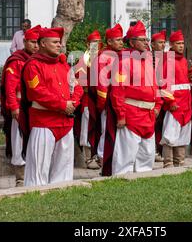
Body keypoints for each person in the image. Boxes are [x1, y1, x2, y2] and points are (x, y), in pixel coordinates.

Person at [22, 27, 84, 186]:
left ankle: (61, 196)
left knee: (63, 169)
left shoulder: (64, 65)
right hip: (44, 122)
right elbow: (37, 92)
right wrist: (63, 104)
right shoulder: (33, 65)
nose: (60, 45)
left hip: (65, 123)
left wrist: (73, 103)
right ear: (43, 43)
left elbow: (77, 87)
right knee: (38, 169)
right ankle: (35, 197)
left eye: (60, 42)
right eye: (55, 42)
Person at [107, 21, 162, 175]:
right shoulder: (123, 61)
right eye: (142, 40)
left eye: (147, 40)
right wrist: (121, 115)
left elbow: (155, 86)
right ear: (131, 42)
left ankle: (143, 182)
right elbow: (118, 91)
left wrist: (157, 105)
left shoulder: (149, 60)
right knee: (126, 155)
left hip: (149, 115)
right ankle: (121, 181)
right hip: (132, 114)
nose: (146, 43)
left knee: (147, 154)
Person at [0, 26, 39, 187]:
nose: (36, 46)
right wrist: (14, 107)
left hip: (36, 109)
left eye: (38, 42)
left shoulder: (39, 59)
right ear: (24, 42)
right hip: (20, 107)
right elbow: (10, 87)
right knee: (19, 141)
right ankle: (20, 177)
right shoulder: (17, 60)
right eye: (32, 42)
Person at [93, 23, 124, 172]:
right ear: (109, 42)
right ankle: (103, 159)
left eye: (121, 39)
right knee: (107, 131)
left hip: (123, 101)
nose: (121, 42)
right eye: (117, 40)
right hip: (109, 101)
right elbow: (101, 82)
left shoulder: (126, 55)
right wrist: (103, 102)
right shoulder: (104, 57)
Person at [159, 30, 192, 168]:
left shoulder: (184, 60)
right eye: (178, 43)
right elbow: (164, 83)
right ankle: (168, 163)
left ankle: (180, 162)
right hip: (175, 103)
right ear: (171, 44)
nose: (181, 46)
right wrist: (170, 101)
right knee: (170, 134)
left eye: (182, 43)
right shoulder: (168, 60)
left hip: (186, 102)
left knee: (183, 135)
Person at [74, 30, 102, 170]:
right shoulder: (83, 61)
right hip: (88, 100)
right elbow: (81, 84)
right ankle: (87, 157)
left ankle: (98, 156)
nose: (96, 46)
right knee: (87, 127)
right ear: (88, 44)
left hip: (100, 100)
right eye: (93, 43)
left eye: (98, 43)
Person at [151, 29, 167, 163]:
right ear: (152, 45)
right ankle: (154, 150)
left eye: (164, 43)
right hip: (153, 94)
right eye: (160, 43)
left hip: (166, 95)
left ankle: (161, 151)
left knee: (163, 125)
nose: (162, 45)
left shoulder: (167, 58)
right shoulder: (148, 58)